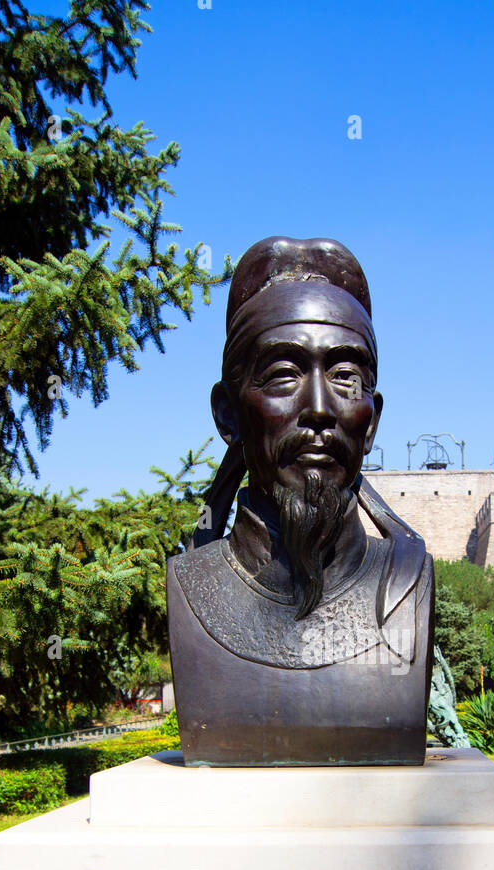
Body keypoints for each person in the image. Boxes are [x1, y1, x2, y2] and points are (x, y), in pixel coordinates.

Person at [167, 236, 434, 766]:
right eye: (284, 374)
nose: (318, 409)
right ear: (228, 415)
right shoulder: (188, 588)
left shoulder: (410, 584)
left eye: (345, 378)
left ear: (371, 419)